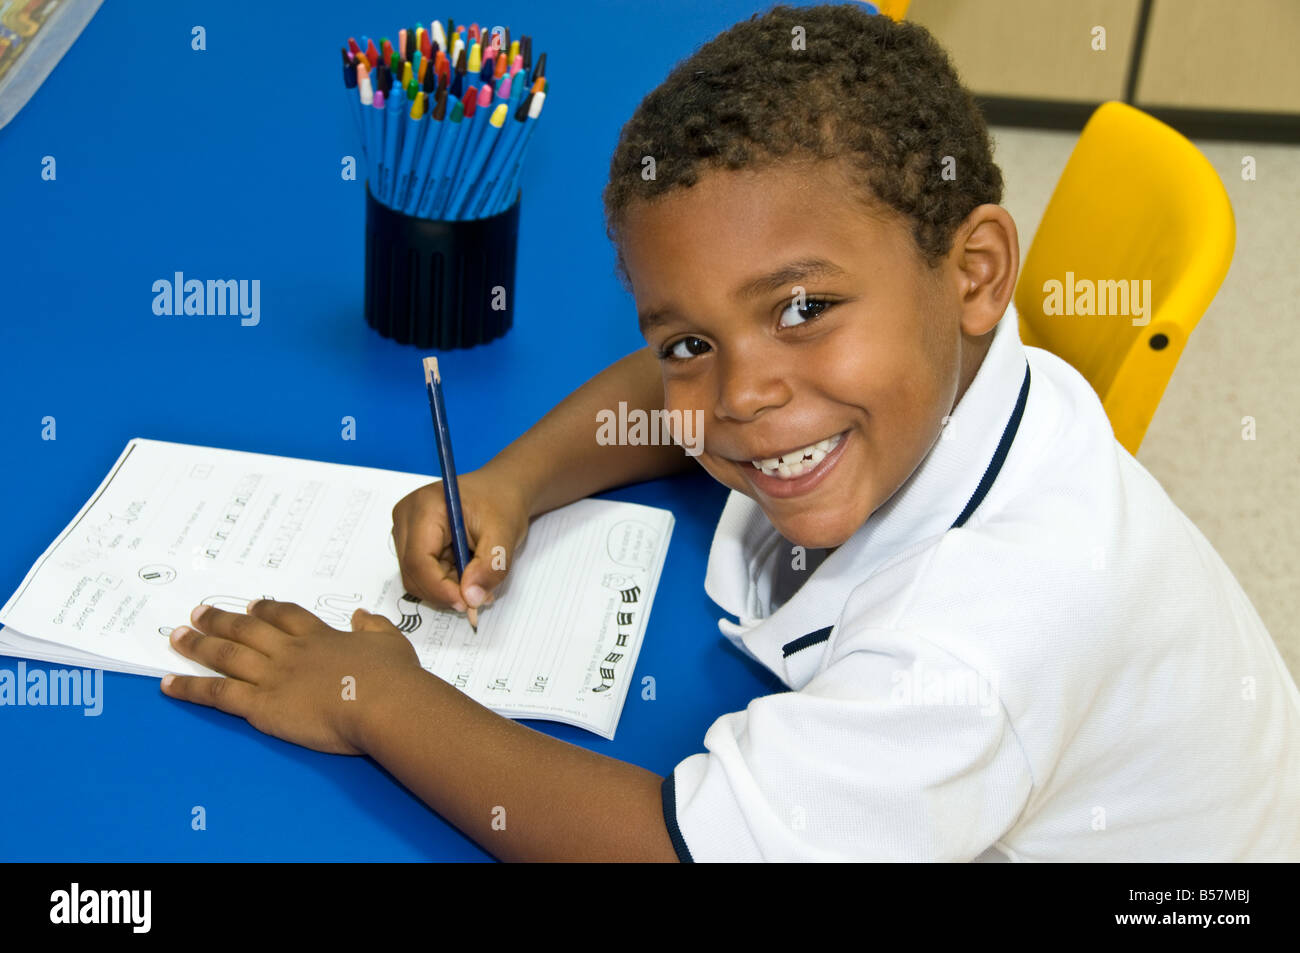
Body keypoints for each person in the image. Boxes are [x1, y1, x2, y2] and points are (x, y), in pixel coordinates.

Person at [161, 3, 1300, 861]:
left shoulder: (974, 645)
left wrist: (379, 700)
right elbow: (673, 384)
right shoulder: (961, 380)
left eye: (803, 309)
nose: (743, 394)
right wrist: (513, 483)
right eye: (690, 338)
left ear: (976, 270)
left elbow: (678, 849)